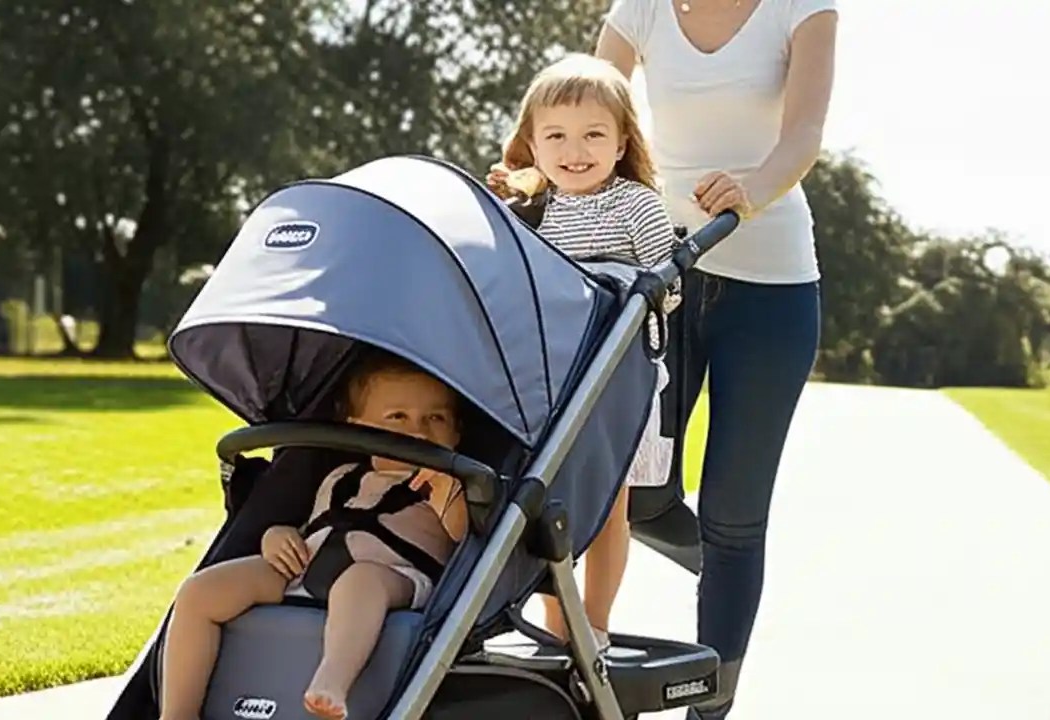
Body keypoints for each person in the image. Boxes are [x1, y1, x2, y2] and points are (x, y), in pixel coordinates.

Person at [595, 0, 839, 716]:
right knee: (634, 492)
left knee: (736, 519)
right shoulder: (640, 9)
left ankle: (712, 705)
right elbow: (589, 96)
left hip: (773, 289)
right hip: (663, 273)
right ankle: (727, 568)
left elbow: (805, 133)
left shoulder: (803, 7)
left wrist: (752, 190)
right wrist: (533, 169)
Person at [485, 52, 681, 651]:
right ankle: (556, 625)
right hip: (552, 383)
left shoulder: (636, 205)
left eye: (594, 134)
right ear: (534, 145)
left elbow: (667, 285)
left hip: (618, 379)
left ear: (622, 143)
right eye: (557, 136)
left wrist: (639, 292)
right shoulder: (532, 211)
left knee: (608, 509)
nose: (576, 150)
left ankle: (593, 622)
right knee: (548, 505)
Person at [157, 350, 468, 720]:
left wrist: (450, 488)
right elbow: (316, 527)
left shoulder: (452, 486)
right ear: (357, 427)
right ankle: (177, 712)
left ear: (456, 433)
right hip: (307, 569)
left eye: (436, 418)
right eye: (397, 417)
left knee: (360, 581)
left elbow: (463, 536)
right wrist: (276, 536)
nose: (418, 431)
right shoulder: (340, 477)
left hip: (396, 579)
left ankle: (332, 680)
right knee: (200, 590)